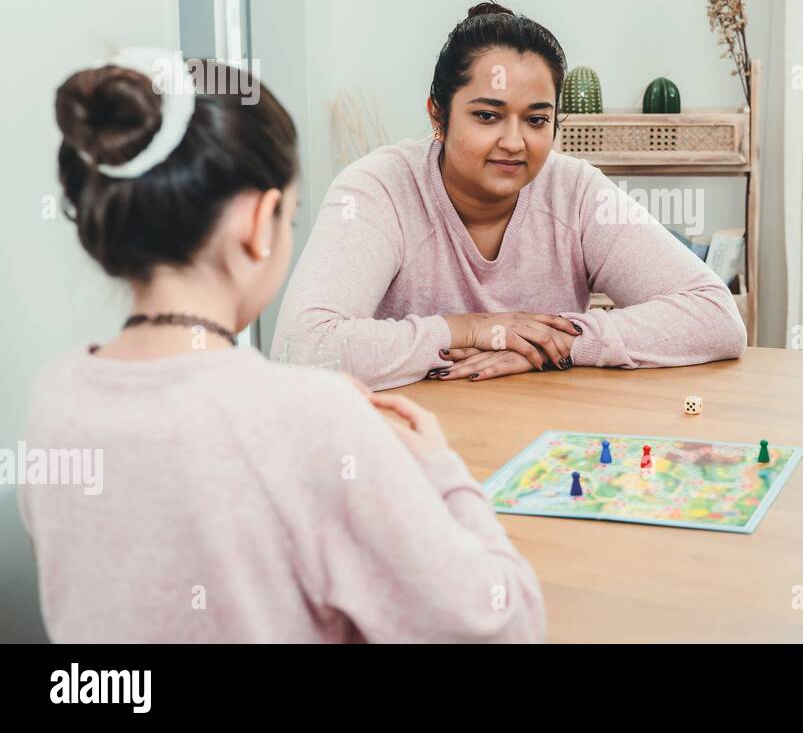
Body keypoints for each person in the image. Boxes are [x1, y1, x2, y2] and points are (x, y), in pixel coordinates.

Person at [21, 50, 544, 642]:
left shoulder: (56, 397)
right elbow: (503, 624)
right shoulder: (313, 422)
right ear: (259, 222)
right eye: (290, 219)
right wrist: (439, 470)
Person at [273, 1, 747, 390]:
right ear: (438, 114)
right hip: (408, 452)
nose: (515, 142)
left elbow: (715, 316)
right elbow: (303, 350)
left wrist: (556, 343)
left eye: (537, 120)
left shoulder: (575, 191)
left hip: (541, 450)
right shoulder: (378, 190)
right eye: (487, 116)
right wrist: (474, 328)